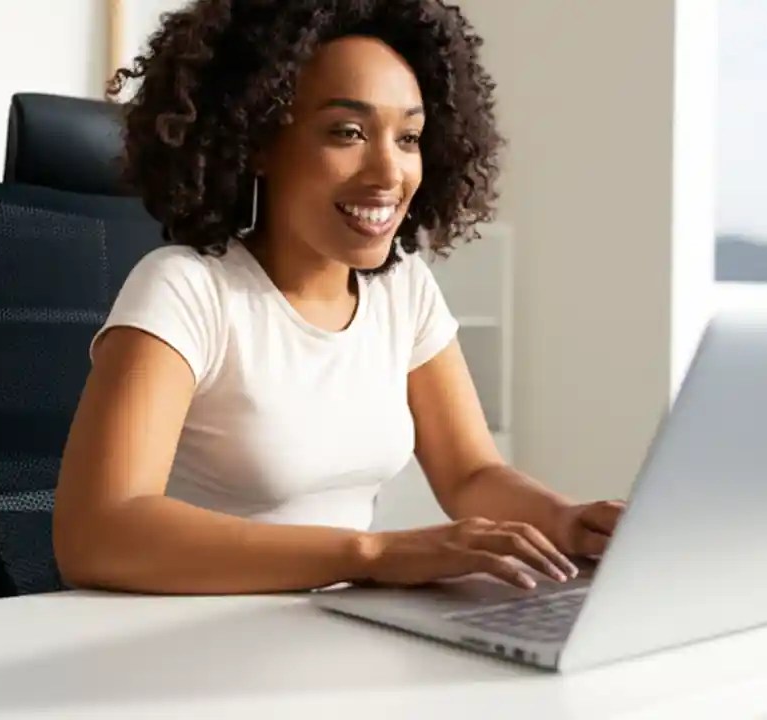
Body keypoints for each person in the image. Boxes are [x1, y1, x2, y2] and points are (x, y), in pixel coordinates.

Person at [54, 0, 624, 596]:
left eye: (408, 137)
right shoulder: (186, 290)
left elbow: (472, 473)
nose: (388, 172)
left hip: (332, 634)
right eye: (347, 132)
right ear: (257, 143)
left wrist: (568, 521)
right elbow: (98, 531)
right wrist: (372, 553)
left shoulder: (404, 289)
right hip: (184, 643)